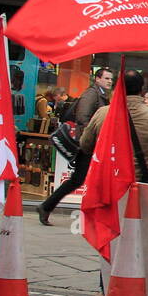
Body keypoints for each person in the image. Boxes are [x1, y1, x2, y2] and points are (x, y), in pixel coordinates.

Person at [39, 67, 112, 225]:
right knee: (79, 179)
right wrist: (91, 137)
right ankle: (46, 206)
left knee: (83, 179)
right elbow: (82, 117)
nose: (110, 81)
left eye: (111, 79)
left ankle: (47, 206)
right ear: (97, 79)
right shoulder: (92, 94)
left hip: (90, 142)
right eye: (106, 78)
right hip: (87, 143)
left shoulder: (100, 95)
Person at [80, 70, 148, 183]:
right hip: (140, 183)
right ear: (141, 89)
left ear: (118, 87)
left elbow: (85, 145)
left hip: (108, 182)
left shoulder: (102, 113)